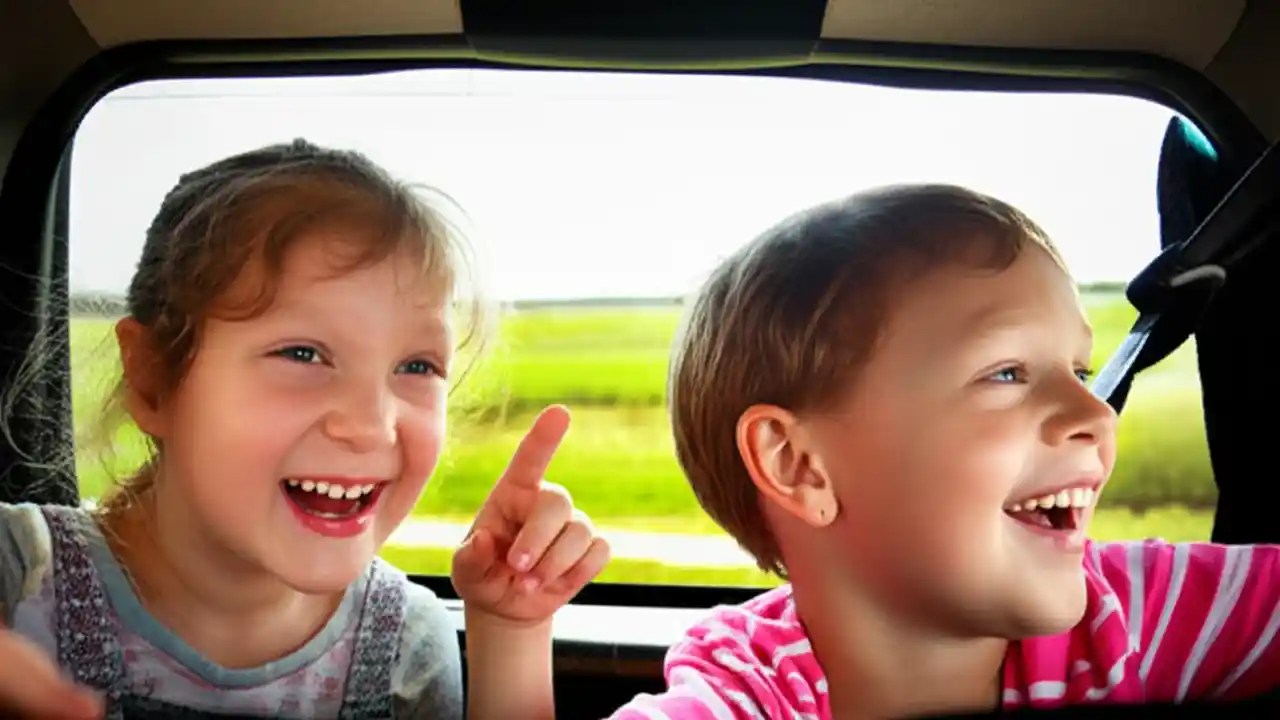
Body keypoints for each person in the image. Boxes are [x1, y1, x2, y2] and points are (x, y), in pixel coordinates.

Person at [607, 184, 1280, 719]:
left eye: (1077, 372)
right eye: (1006, 373)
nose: (1095, 413)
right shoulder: (748, 691)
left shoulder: (1128, 615)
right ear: (798, 465)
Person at [0, 139, 608, 720]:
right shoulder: (17, 577)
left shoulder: (403, 646)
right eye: (302, 355)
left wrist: (510, 632)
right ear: (155, 380)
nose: (372, 427)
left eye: (417, 367)